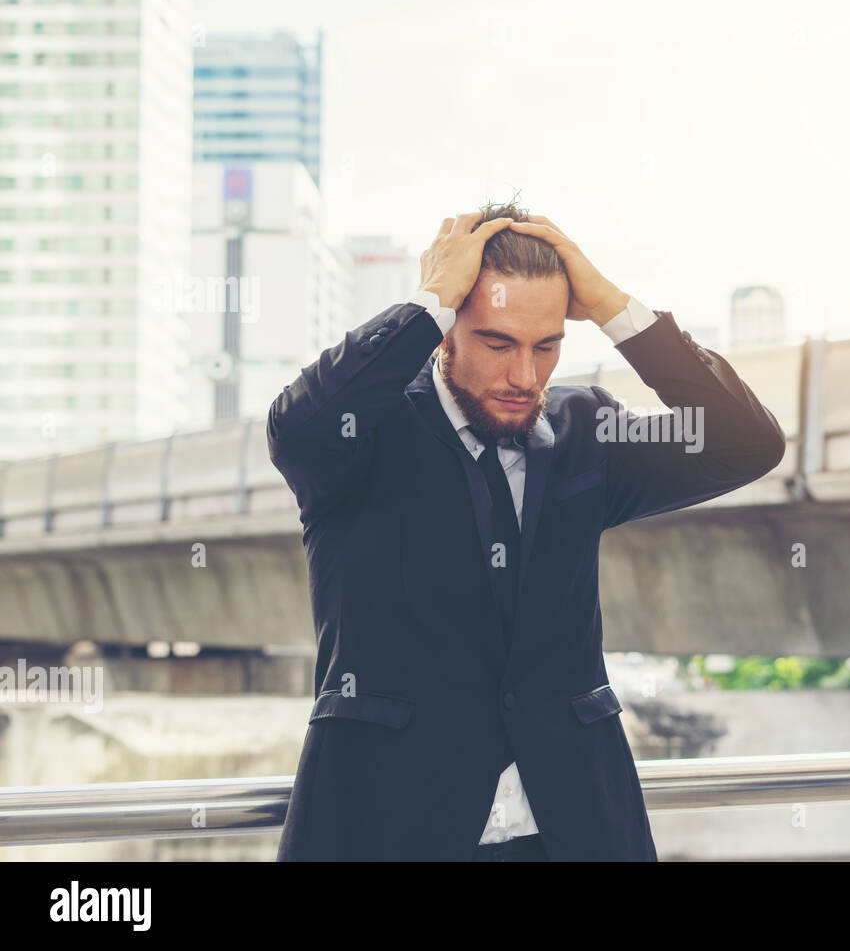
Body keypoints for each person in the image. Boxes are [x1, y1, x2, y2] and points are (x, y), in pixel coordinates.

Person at [269, 204, 785, 860]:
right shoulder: (363, 437)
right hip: (390, 831)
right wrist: (425, 302)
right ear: (445, 331)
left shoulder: (588, 431)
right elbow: (296, 427)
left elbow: (747, 443)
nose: (524, 377)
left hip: (572, 834)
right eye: (497, 342)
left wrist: (611, 307)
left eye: (546, 346)